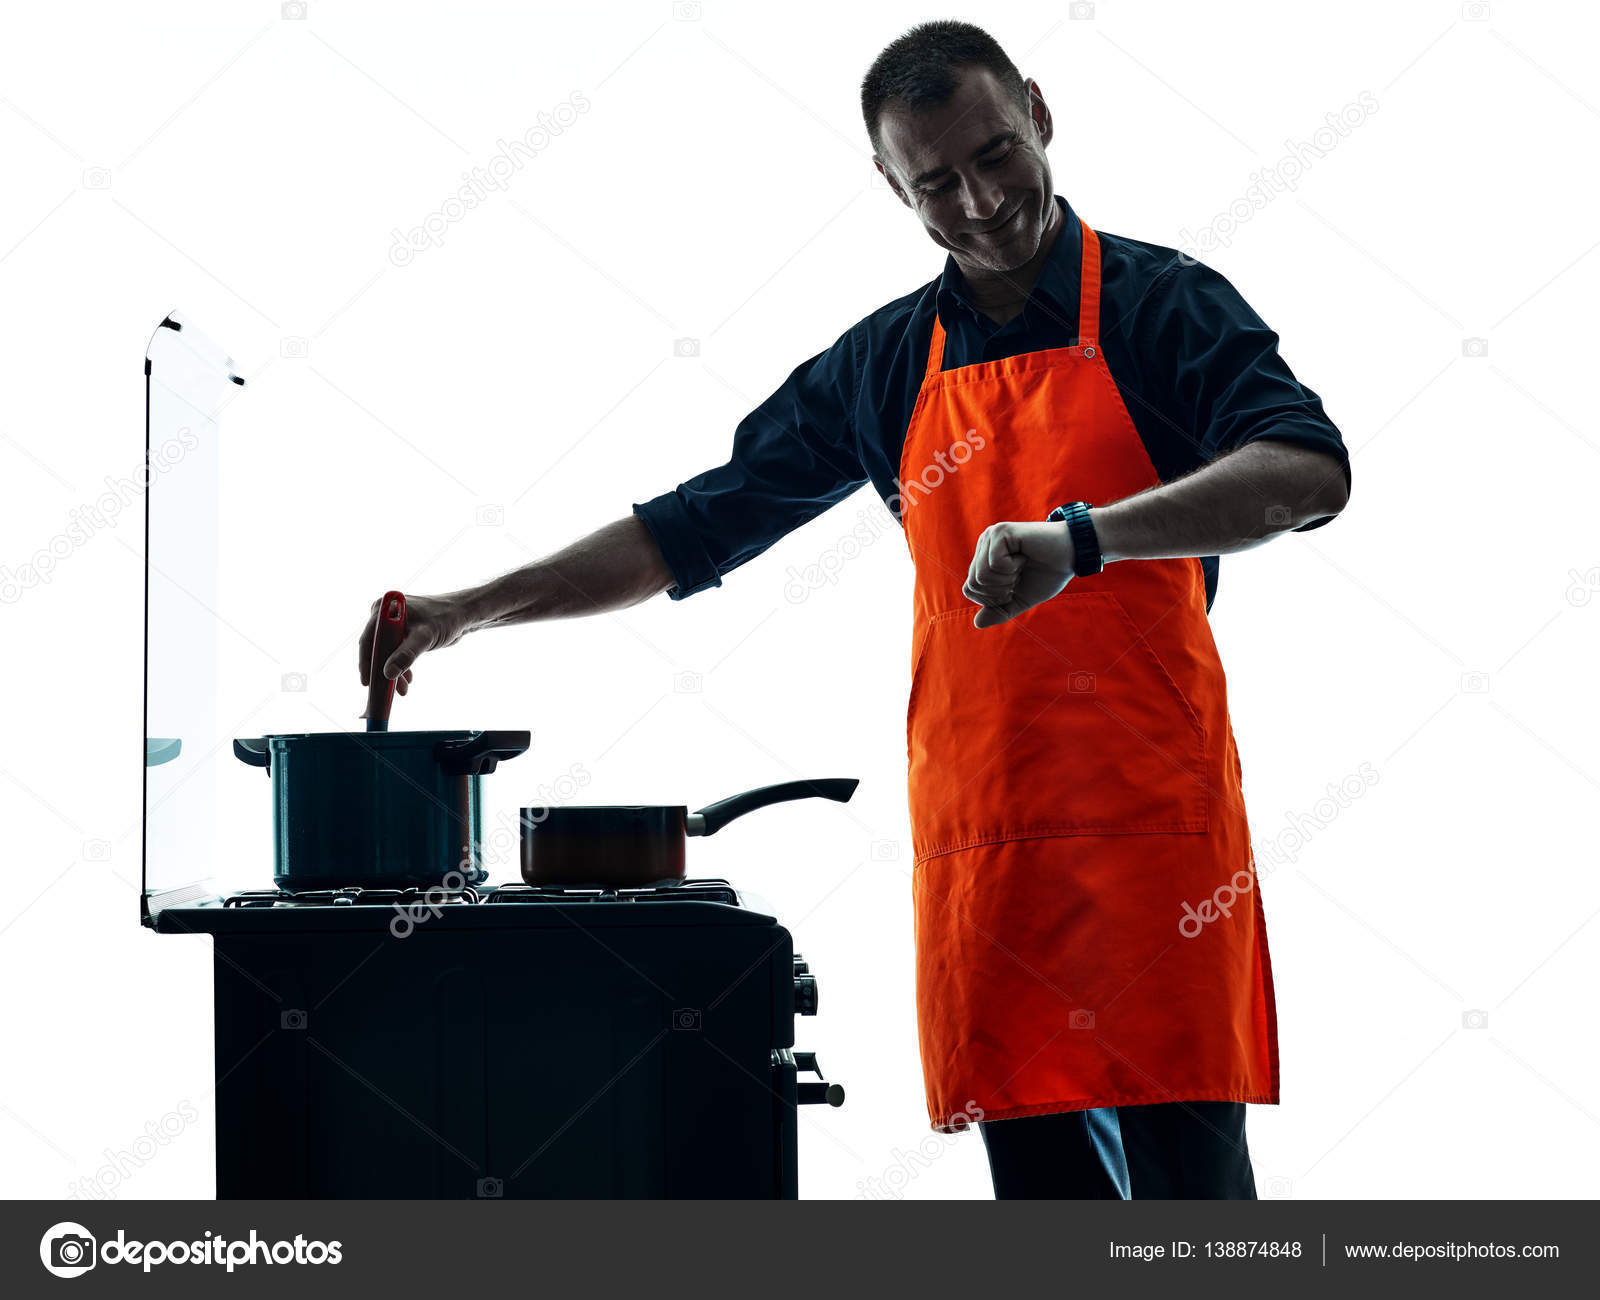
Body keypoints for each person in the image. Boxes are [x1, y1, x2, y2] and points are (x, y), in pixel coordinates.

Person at [358, 20, 1349, 1199]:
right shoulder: (886, 363)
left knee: (1195, 1209)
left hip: (1153, 847)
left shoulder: (1164, 306)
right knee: (1045, 1204)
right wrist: (464, 610)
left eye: (994, 153)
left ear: (1037, 109)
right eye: (936, 182)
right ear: (891, 184)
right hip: (990, 845)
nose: (981, 201)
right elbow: (694, 525)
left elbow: (1306, 471)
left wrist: (1082, 539)